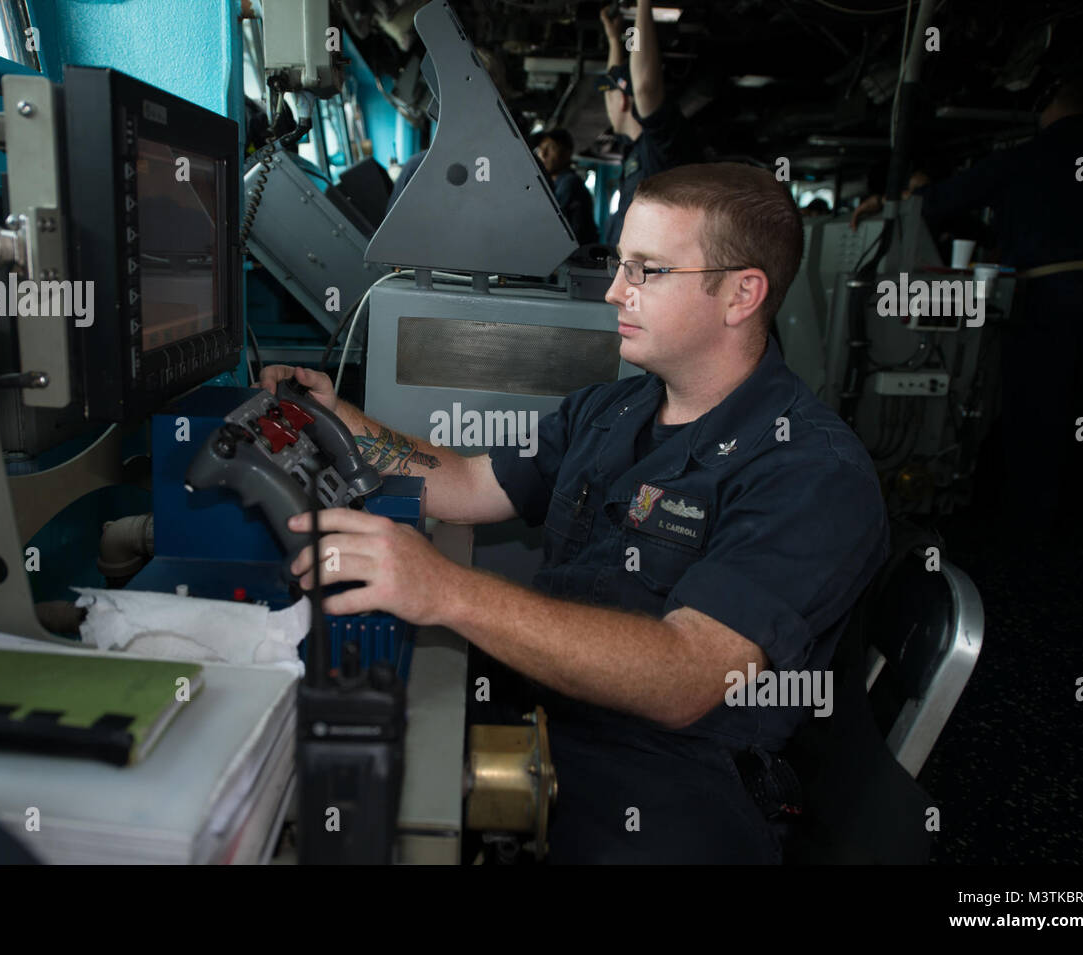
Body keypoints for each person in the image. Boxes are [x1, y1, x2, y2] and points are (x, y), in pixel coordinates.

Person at [260, 162, 889, 863]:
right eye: (621, 263)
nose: (617, 290)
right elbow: (469, 481)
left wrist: (443, 589)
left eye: (648, 270)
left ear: (741, 293)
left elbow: (685, 675)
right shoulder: (609, 409)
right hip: (548, 712)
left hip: (669, 777)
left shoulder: (809, 472)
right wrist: (338, 420)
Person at [853, 77, 1083, 538]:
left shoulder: (1027, 157)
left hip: (1045, 295)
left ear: (1047, 103)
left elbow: (942, 202)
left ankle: (1032, 525)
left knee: (1037, 408)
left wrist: (906, 197)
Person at [598, 0, 690, 247]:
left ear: (626, 101)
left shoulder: (661, 142)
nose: (607, 103)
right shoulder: (632, 147)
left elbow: (645, 87)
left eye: (612, 95)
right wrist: (614, 40)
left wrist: (643, 4)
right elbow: (614, 87)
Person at [534, 128, 599, 245]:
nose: (543, 154)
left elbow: (549, 222)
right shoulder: (557, 183)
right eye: (541, 149)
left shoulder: (570, 183)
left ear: (566, 153)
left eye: (551, 148)